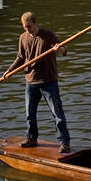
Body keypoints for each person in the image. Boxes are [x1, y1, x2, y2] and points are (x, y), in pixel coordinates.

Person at [12, 12, 71, 154]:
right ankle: (31, 138)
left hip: (48, 81)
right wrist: (9, 71)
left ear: (35, 23)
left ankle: (64, 142)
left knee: (57, 113)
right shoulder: (23, 38)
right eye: (25, 27)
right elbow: (20, 57)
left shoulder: (48, 35)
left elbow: (63, 52)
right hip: (31, 81)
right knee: (29, 113)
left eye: (29, 26)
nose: (27, 30)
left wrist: (59, 49)